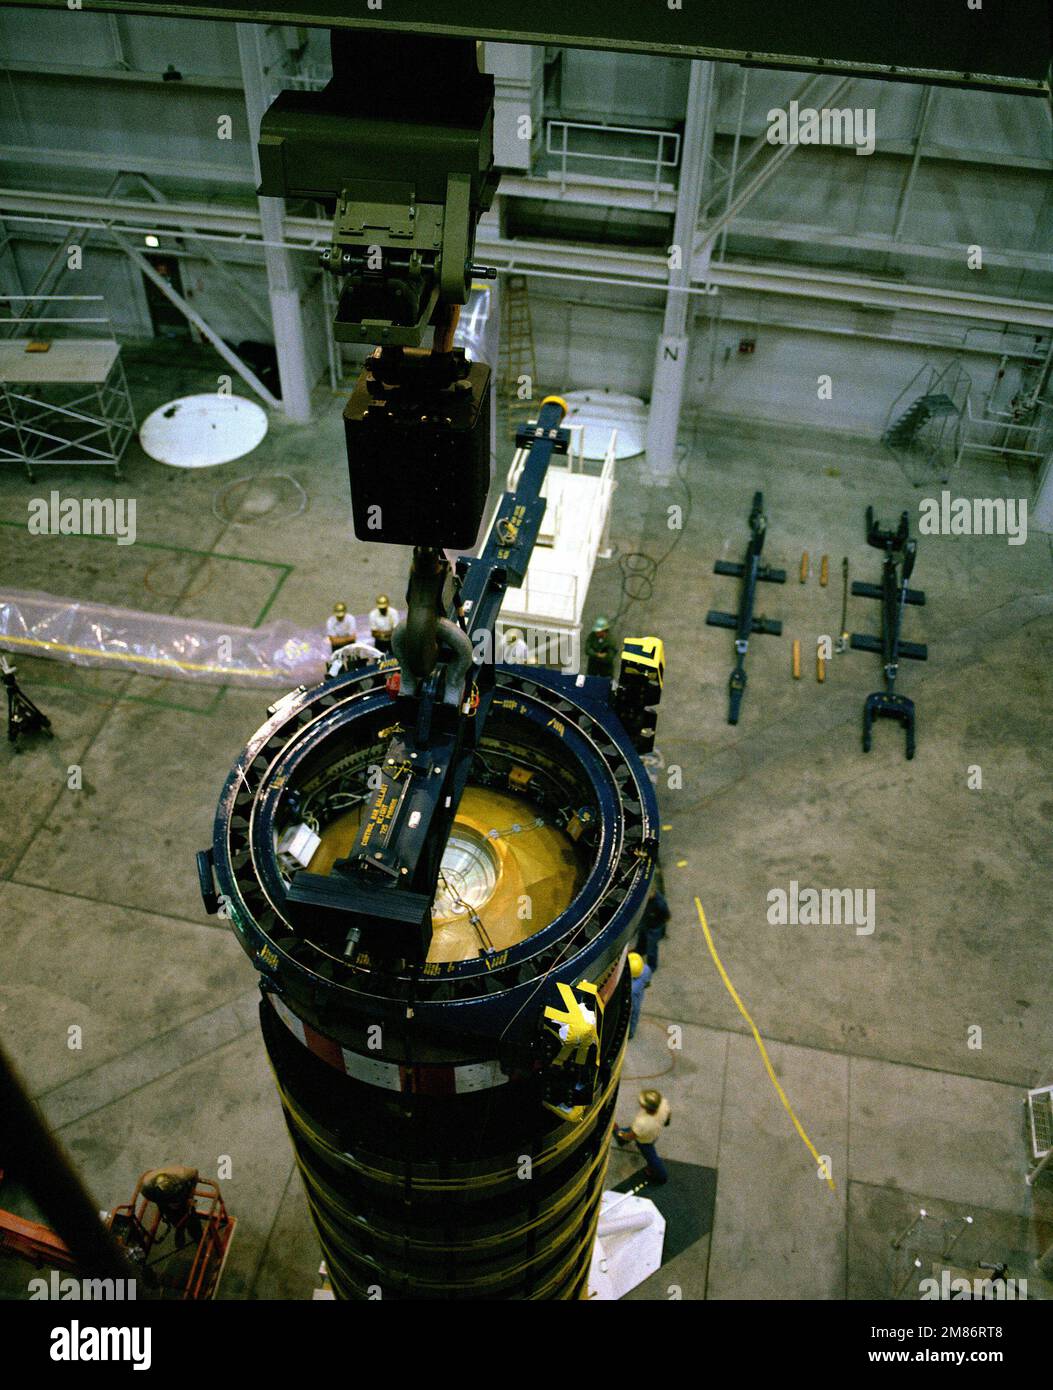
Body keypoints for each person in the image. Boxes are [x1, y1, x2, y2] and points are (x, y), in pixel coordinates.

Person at [614, 1089, 671, 1185]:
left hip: (645, 1141)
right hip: (654, 1132)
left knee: (651, 1157)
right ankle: (621, 1140)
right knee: (631, 1130)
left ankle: (661, 1176)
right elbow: (668, 1116)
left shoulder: (642, 1123)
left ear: (646, 1106)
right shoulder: (663, 1104)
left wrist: (618, 1132)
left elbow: (631, 1136)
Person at [140, 1164, 204, 1248]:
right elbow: (153, 1198)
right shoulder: (147, 1187)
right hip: (163, 1201)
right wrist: (166, 1203)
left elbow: (195, 1173)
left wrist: (190, 1197)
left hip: (183, 1196)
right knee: (173, 1217)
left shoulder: (182, 1174)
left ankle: (199, 1239)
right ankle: (179, 1228)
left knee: (192, 1218)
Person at [637, 882, 670, 974]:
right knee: (641, 939)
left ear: (653, 892)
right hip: (645, 923)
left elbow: (666, 917)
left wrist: (659, 926)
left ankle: (652, 967)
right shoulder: (647, 899)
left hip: (653, 928)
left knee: (651, 948)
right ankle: (640, 951)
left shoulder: (660, 903)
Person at [627, 950, 652, 1039]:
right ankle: (631, 1032)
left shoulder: (632, 987)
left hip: (634, 1000)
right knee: (635, 1015)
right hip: (640, 995)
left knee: (632, 1014)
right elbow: (648, 983)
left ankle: (630, 1033)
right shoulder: (646, 969)